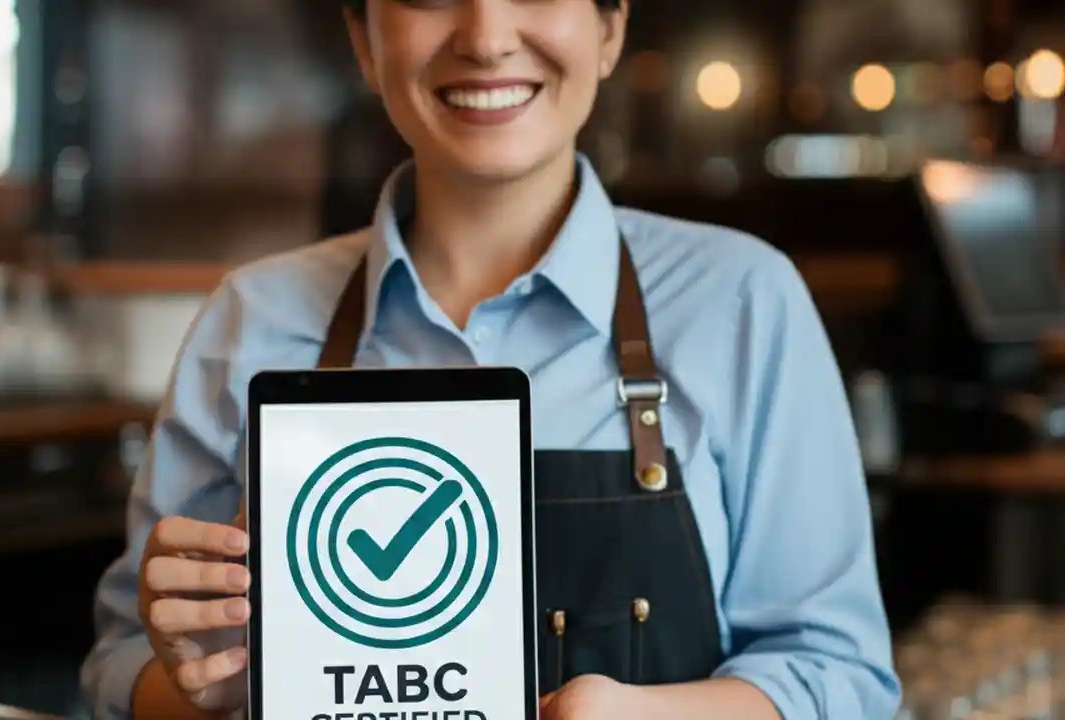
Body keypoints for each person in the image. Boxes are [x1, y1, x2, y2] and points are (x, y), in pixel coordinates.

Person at [81, 1, 901, 718]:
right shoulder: (248, 321)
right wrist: (203, 688)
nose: (486, 36)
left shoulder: (739, 300)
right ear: (364, 42)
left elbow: (842, 678)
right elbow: (121, 667)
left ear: (610, 28)